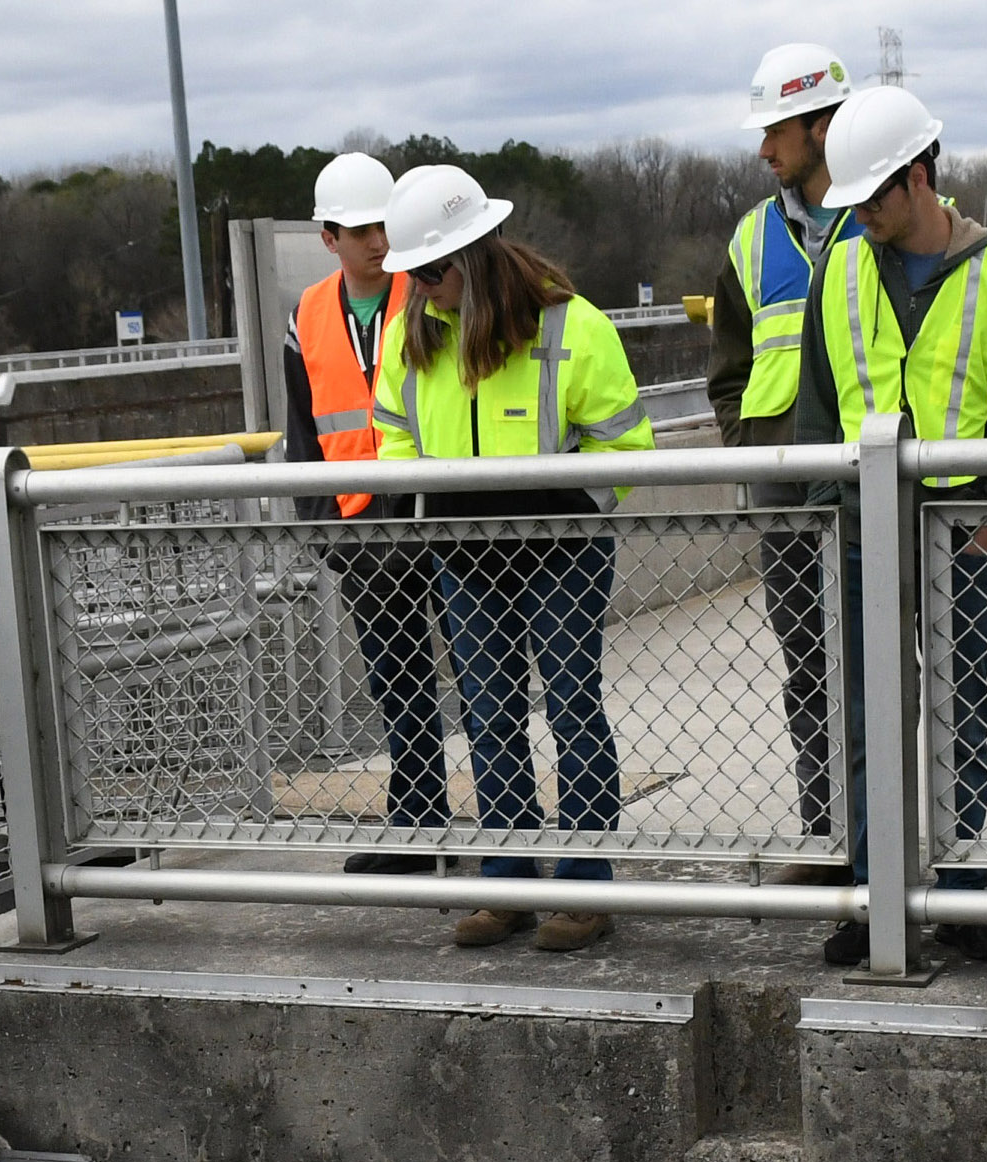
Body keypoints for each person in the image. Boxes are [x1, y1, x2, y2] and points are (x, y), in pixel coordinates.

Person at [370, 164, 656, 952]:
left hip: (560, 551)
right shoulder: (413, 332)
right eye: (413, 276)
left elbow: (626, 443)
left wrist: (575, 513)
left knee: (571, 707)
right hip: (464, 553)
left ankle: (586, 885)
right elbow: (392, 431)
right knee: (490, 718)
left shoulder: (571, 324)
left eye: (431, 272)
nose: (422, 288)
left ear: (475, 254)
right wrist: (416, 507)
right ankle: (508, 883)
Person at [791, 86, 987, 969]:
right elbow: (817, 414)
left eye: (872, 199)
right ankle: (870, 899)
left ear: (919, 176)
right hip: (860, 536)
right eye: (851, 203)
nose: (860, 216)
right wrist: (824, 526)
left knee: (957, 715)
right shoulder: (840, 264)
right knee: (862, 719)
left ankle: (960, 895)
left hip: (955, 530)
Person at [713, 43, 864, 878]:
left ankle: (899, 837)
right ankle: (831, 835)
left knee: (892, 657)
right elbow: (728, 370)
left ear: (823, 124)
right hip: (782, 476)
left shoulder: (884, 213)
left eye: (777, 130)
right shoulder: (750, 239)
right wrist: (747, 446)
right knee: (807, 658)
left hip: (869, 467)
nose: (765, 149)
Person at [278, 153, 444, 875]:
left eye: (383, 225)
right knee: (397, 680)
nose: (378, 241)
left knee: (480, 679)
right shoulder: (308, 315)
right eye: (360, 229)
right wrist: (329, 536)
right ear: (329, 238)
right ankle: (418, 823)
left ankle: (502, 829)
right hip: (361, 535)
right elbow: (303, 437)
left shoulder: (432, 290)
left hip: (437, 520)